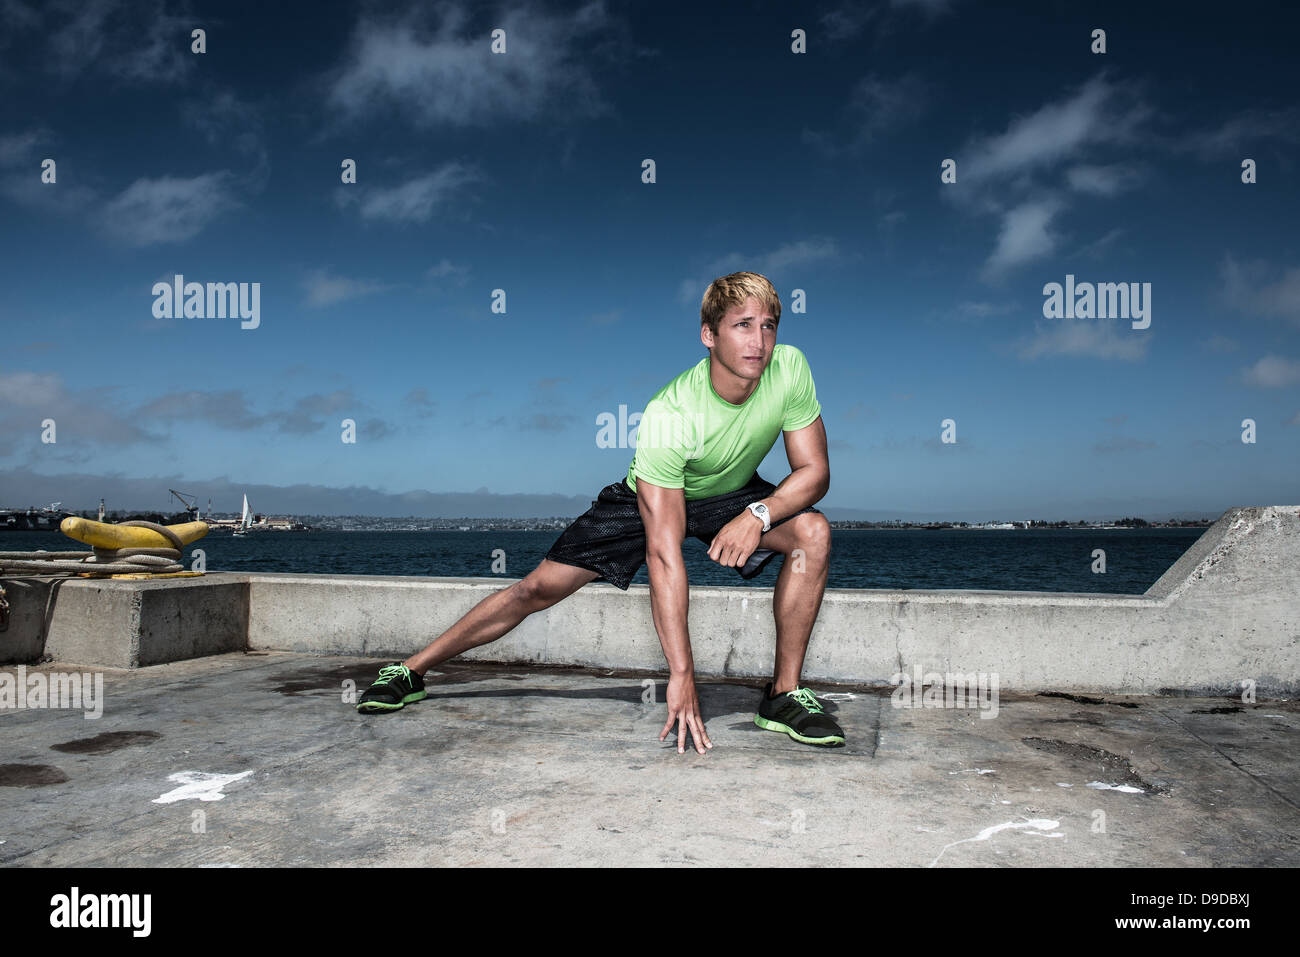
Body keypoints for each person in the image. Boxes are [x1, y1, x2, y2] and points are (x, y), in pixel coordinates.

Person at [356, 271, 842, 752]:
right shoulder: (669, 416)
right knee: (536, 588)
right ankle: (412, 670)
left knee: (812, 533)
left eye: (769, 325)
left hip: (732, 495)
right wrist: (680, 673)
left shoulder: (790, 368)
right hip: (647, 499)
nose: (759, 341)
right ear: (708, 335)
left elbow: (814, 472)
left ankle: (783, 694)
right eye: (743, 325)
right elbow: (663, 553)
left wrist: (756, 514)